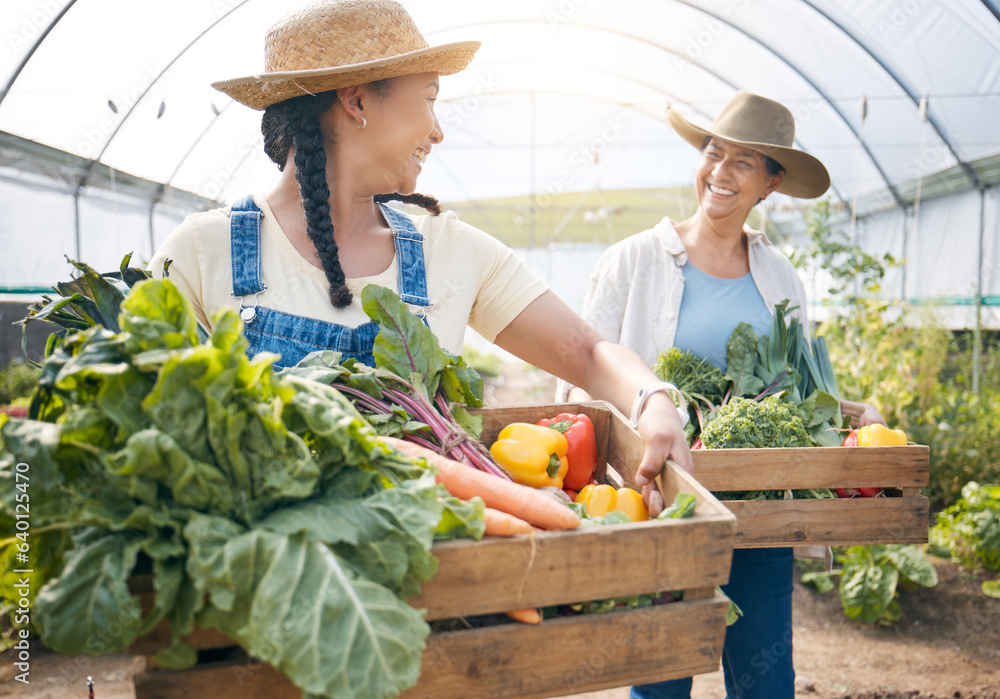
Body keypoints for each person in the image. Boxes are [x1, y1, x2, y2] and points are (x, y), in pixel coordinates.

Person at [148, 0, 691, 512]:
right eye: (429, 97)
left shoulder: (451, 250)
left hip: (431, 575)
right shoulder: (201, 253)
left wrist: (651, 399)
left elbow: (587, 353)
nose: (438, 129)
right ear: (357, 100)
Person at [561, 91, 887, 698]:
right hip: (663, 505)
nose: (720, 171)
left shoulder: (779, 275)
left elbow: (789, 392)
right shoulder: (634, 261)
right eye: (715, 152)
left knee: (766, 682)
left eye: (745, 161)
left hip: (758, 502)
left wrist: (849, 413)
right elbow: (578, 376)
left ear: (771, 182)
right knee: (660, 682)